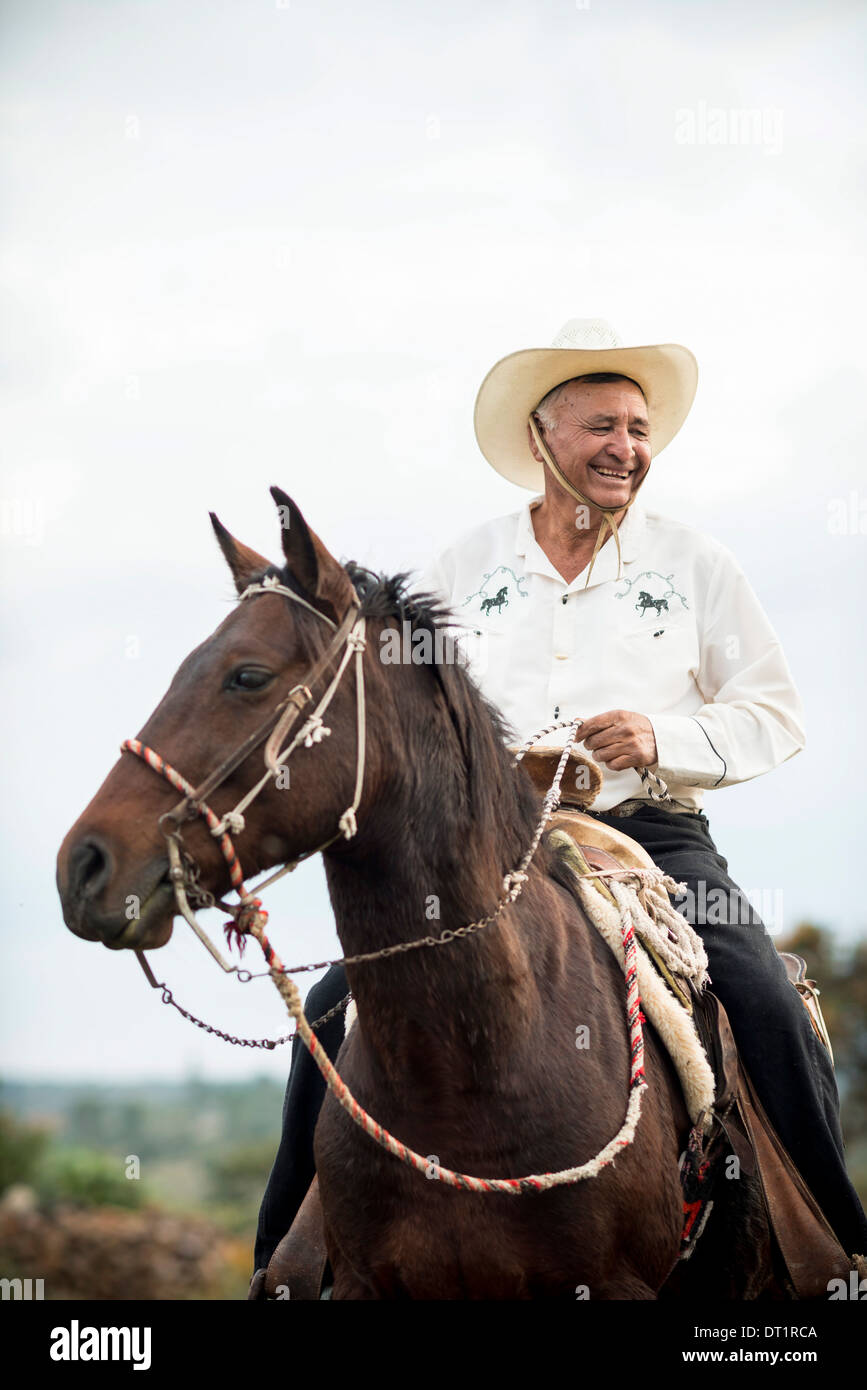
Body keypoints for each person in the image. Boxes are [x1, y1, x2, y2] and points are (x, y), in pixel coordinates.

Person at [253, 318, 867, 1273]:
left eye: (636, 429)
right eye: (600, 427)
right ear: (542, 439)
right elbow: (422, 721)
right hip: (492, 851)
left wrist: (665, 738)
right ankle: (288, 1268)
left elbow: (776, 715)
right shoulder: (464, 568)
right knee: (332, 1008)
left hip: (653, 837)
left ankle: (832, 1253)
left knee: (762, 997)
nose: (626, 448)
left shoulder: (697, 564)